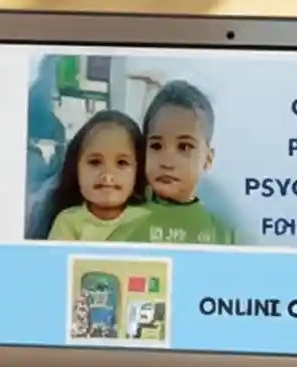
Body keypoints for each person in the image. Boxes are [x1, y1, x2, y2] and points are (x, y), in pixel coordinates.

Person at [110, 79, 236, 245]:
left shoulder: (223, 233)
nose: (167, 162)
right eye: (156, 146)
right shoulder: (122, 222)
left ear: (208, 159)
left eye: (184, 147)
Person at [46, 110, 149, 242]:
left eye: (122, 163)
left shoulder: (148, 220)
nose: (107, 176)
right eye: (95, 162)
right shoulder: (67, 223)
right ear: (75, 166)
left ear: (138, 169)